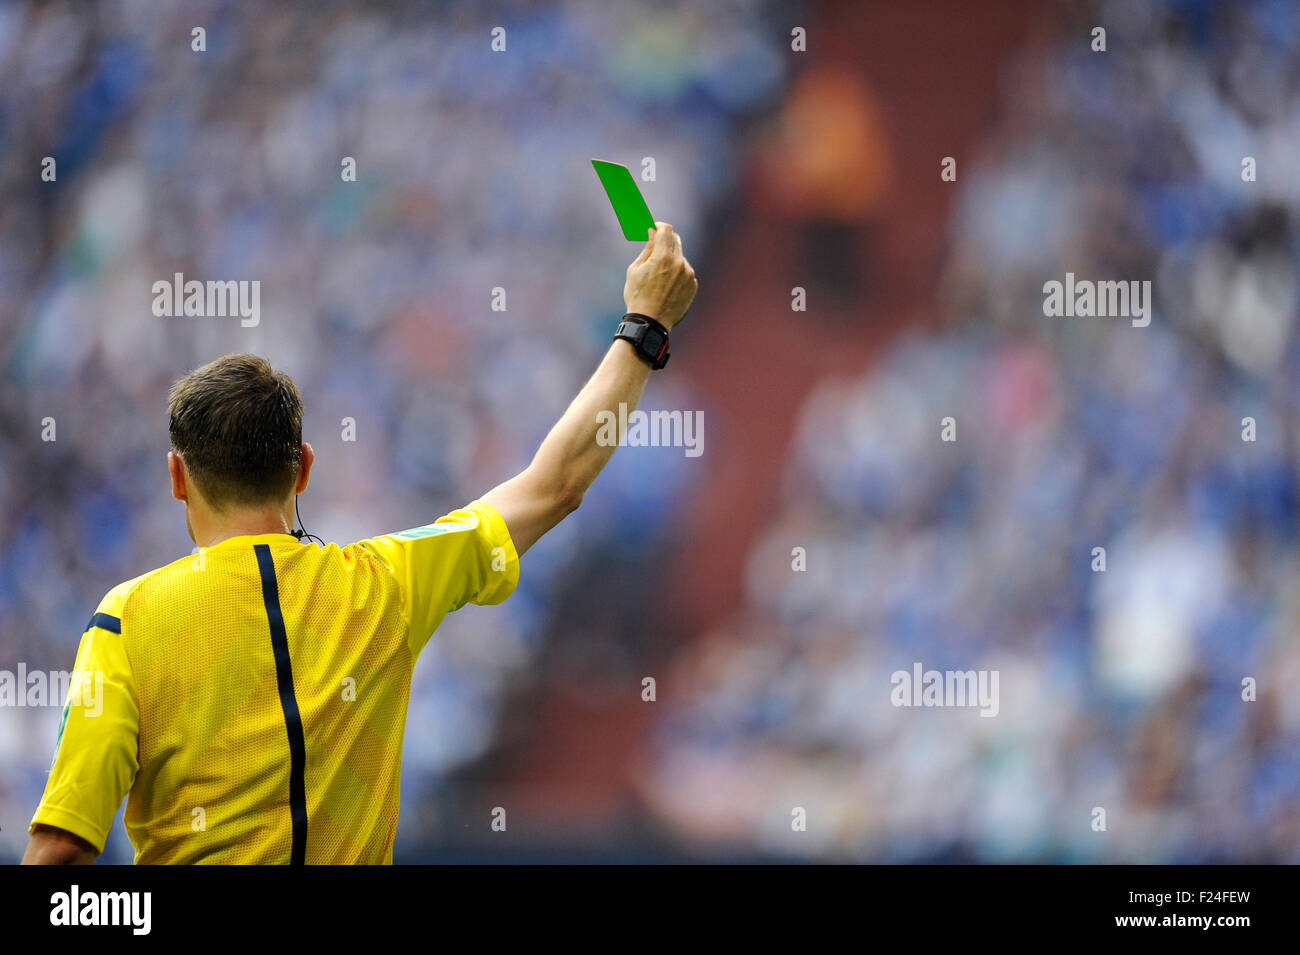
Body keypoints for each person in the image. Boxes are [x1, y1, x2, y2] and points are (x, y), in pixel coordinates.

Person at [22, 222, 697, 864]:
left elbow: (62, 847)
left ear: (177, 476)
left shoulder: (127, 620)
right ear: (304, 467)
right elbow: (555, 485)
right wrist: (643, 327)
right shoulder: (386, 583)